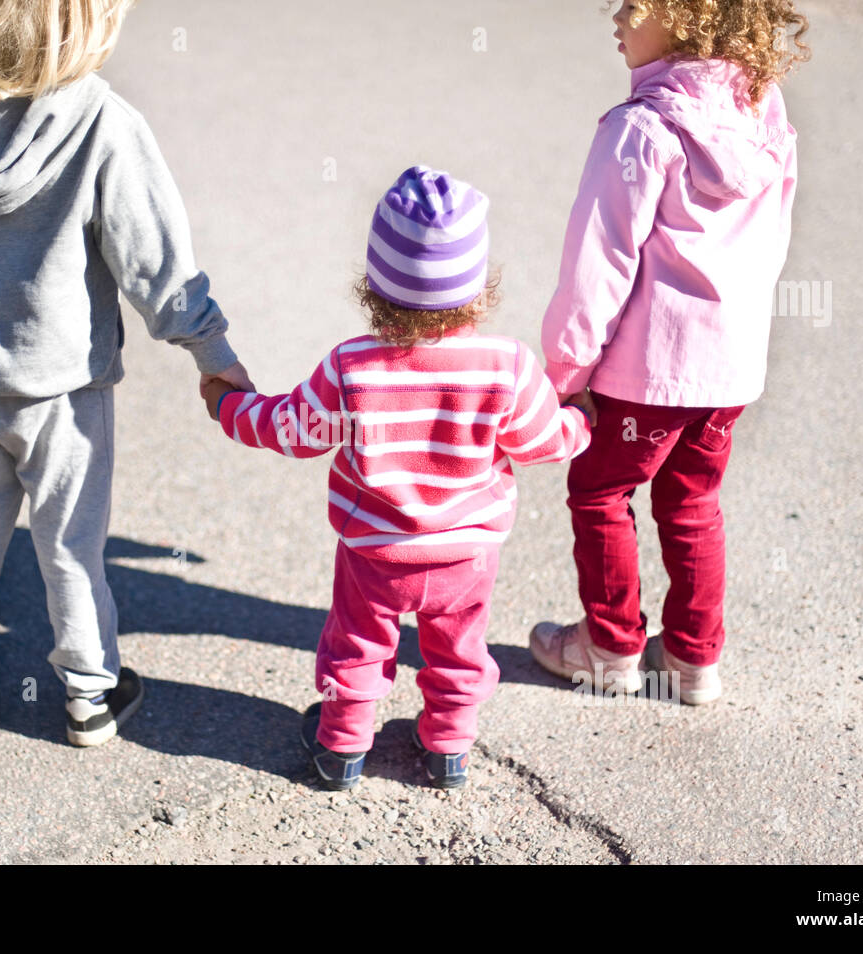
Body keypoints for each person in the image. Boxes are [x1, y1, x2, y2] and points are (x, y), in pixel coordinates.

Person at [0, 0, 253, 746]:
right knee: (70, 546)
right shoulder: (99, 120)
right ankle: (90, 694)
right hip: (64, 394)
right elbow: (156, 262)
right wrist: (212, 353)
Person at [203, 167, 591, 789]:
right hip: (468, 555)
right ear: (478, 286)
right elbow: (545, 442)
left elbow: (291, 430)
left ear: (375, 285)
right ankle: (448, 748)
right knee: (460, 647)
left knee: (356, 645)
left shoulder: (353, 365)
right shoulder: (507, 364)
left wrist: (228, 408)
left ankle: (341, 749)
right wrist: (582, 419)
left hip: (374, 555)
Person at [532, 0, 809, 703]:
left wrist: (565, 376)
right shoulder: (761, 107)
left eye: (632, 6)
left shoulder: (641, 129)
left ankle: (610, 645)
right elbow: (770, 242)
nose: (616, 18)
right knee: (691, 503)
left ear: (686, 17)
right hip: (729, 368)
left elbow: (597, 269)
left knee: (599, 491)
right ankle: (691, 660)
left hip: (644, 372)